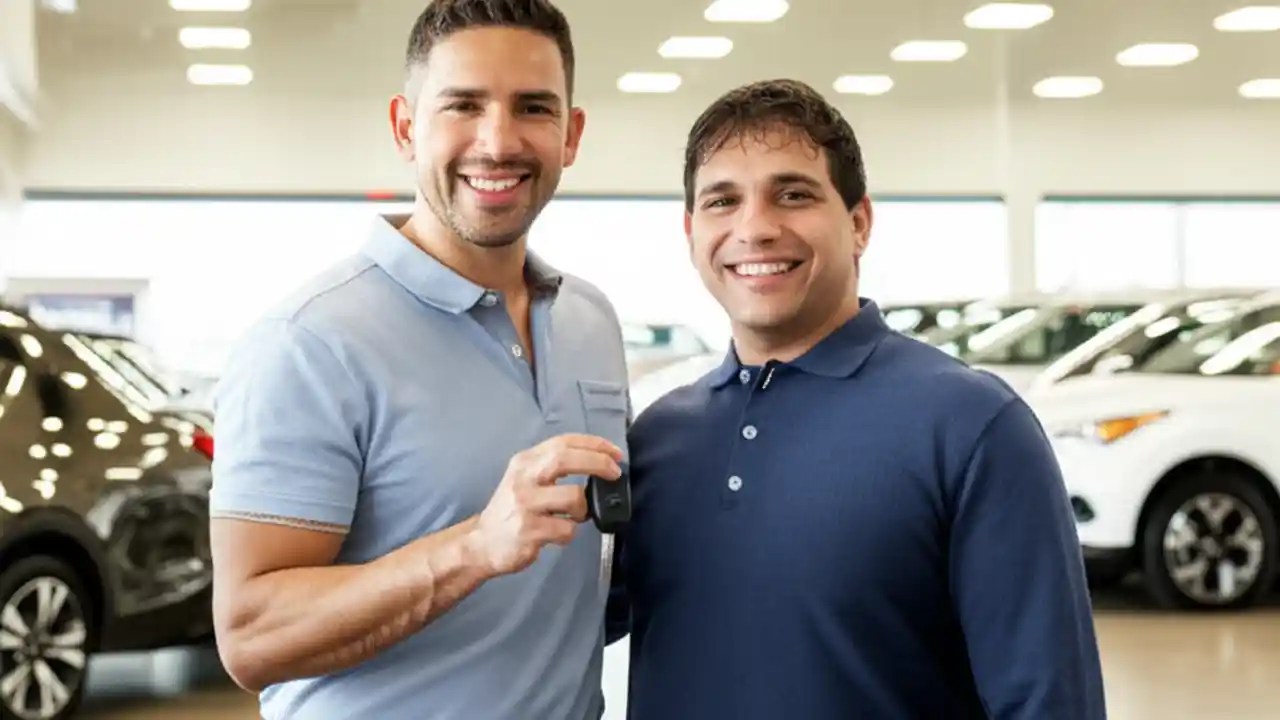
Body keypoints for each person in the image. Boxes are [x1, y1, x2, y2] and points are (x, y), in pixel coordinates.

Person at [606, 79, 1107, 719]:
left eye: (793, 194)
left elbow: (1047, 701)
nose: (754, 228)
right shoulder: (658, 436)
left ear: (859, 222)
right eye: (722, 201)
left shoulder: (971, 426)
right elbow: (559, 631)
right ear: (691, 230)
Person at [208, 1, 630, 718]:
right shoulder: (308, 343)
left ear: (571, 135)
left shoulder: (591, 320)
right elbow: (251, 636)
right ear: (407, 127)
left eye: (533, 107)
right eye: (463, 105)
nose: (498, 142)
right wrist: (475, 548)